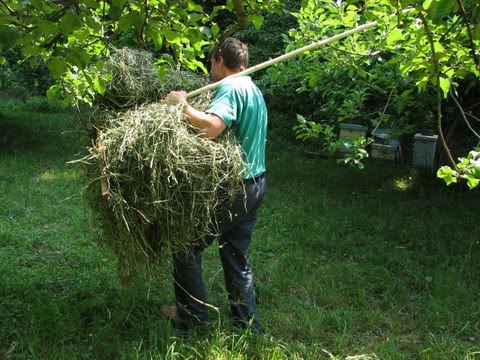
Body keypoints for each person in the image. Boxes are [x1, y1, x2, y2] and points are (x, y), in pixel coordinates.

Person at [162, 37, 267, 333]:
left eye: (211, 61)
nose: (210, 67)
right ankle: (248, 325)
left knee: (185, 244)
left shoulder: (230, 87)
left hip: (234, 190)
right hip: (255, 185)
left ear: (220, 59)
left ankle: (192, 315)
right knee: (235, 255)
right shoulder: (251, 87)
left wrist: (182, 106)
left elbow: (211, 128)